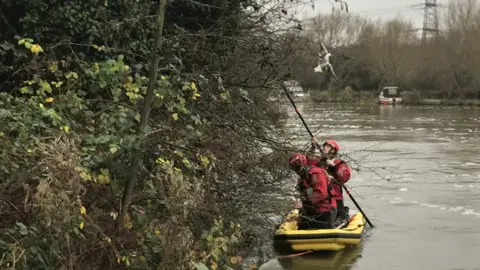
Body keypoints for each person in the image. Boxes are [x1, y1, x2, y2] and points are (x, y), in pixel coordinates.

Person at [308, 138, 352, 223]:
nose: (324, 148)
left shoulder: (339, 163)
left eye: (327, 146)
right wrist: (313, 147)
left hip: (335, 197)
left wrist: (333, 166)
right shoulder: (319, 161)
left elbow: (345, 177)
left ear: (333, 150)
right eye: (324, 146)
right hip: (320, 196)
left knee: (339, 218)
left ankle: (343, 214)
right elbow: (308, 163)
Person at [288, 152, 336, 230]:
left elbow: (321, 194)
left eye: (296, 167)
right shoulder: (303, 179)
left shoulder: (316, 173)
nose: (296, 170)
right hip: (314, 209)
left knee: (308, 227)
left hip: (326, 209)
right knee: (301, 226)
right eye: (295, 168)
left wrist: (305, 202)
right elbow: (304, 195)